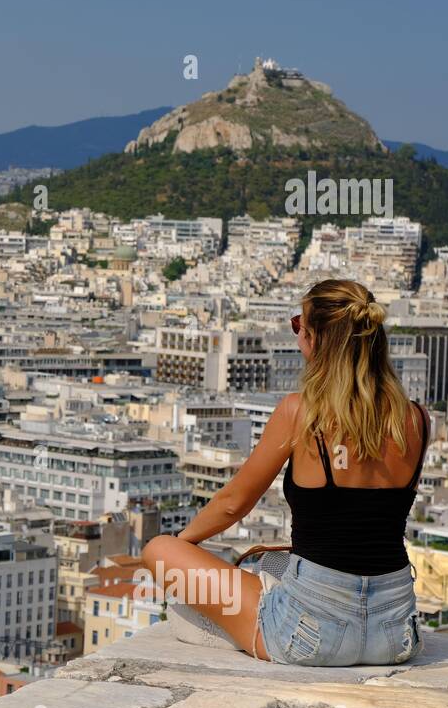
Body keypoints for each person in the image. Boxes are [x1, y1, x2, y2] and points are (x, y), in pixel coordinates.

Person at [141, 279, 431, 666]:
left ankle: (245, 624)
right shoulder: (416, 420)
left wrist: (183, 543)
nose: (297, 339)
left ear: (317, 340)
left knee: (158, 550)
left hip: (308, 635)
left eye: (300, 327)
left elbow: (233, 504)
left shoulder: (301, 413)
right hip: (396, 636)